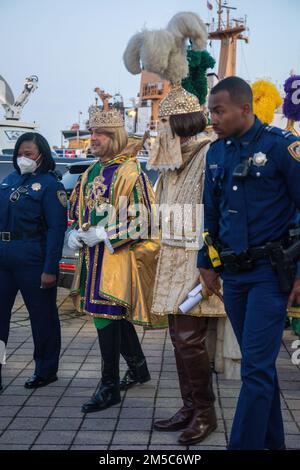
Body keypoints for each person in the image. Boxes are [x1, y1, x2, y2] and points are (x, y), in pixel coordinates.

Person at [123, 11, 232, 446]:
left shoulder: (207, 156)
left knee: (190, 341)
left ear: (179, 128)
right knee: (178, 340)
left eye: (164, 128)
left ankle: (205, 414)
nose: (158, 136)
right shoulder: (171, 166)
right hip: (171, 259)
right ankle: (190, 407)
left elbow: (217, 215)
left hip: (198, 264)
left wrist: (212, 265)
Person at [198, 76, 300, 450]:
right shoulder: (217, 152)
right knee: (260, 369)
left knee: (254, 370)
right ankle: (274, 443)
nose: (213, 118)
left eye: (219, 111)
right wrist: (204, 263)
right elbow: (210, 213)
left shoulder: (282, 147)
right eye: (211, 111)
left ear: (245, 108)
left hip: (269, 275)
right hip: (234, 275)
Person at [68, 93, 161, 413]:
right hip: (93, 258)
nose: (92, 138)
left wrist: (105, 234)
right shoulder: (91, 171)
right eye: (92, 132)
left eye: (100, 134)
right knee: (111, 317)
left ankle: (109, 386)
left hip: (116, 258)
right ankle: (138, 369)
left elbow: (147, 219)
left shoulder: (131, 172)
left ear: (115, 137)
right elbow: (81, 209)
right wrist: (77, 233)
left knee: (106, 316)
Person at [0, 132, 67, 391]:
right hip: (4, 257)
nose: (23, 158)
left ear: (41, 155)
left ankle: (46, 369)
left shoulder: (50, 185)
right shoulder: (9, 180)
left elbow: (56, 229)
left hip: (32, 258)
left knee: (42, 317)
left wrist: (51, 268)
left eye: (28, 154)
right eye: (19, 153)